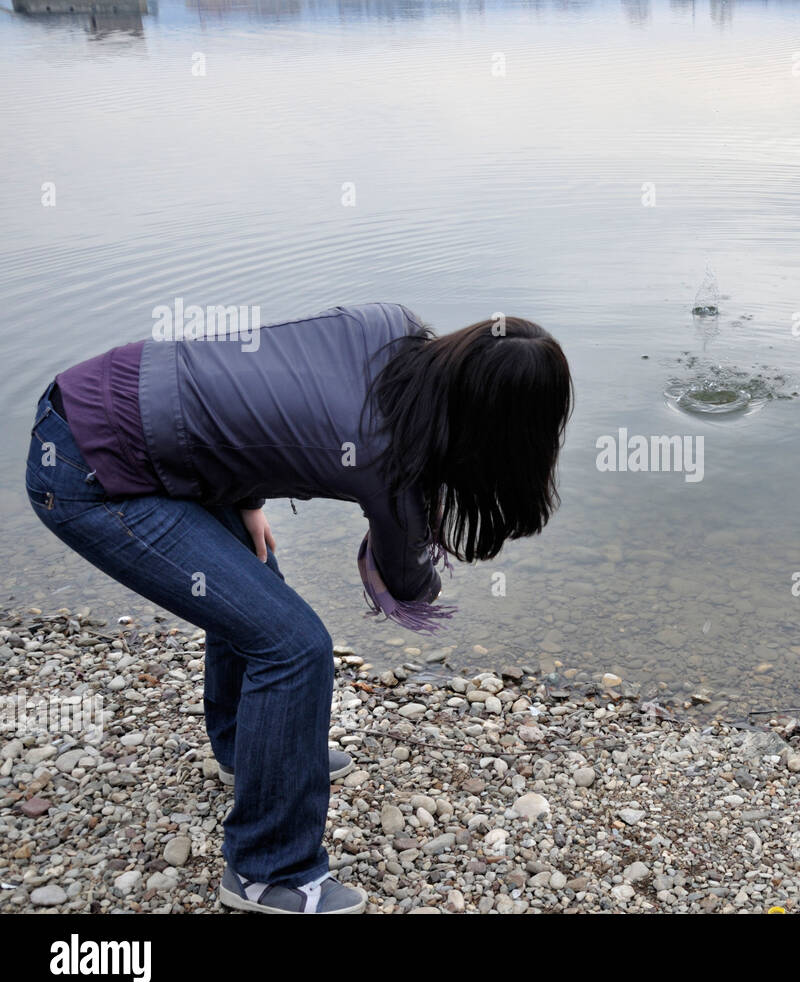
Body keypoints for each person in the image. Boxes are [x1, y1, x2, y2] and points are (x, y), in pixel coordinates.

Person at [25, 303, 573, 913]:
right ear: (504, 430)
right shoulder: (388, 457)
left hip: (105, 399)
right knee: (293, 645)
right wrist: (422, 568)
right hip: (89, 472)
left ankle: (249, 757)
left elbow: (256, 376)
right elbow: (407, 582)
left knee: (254, 595)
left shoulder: (389, 325)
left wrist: (244, 492)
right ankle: (269, 871)